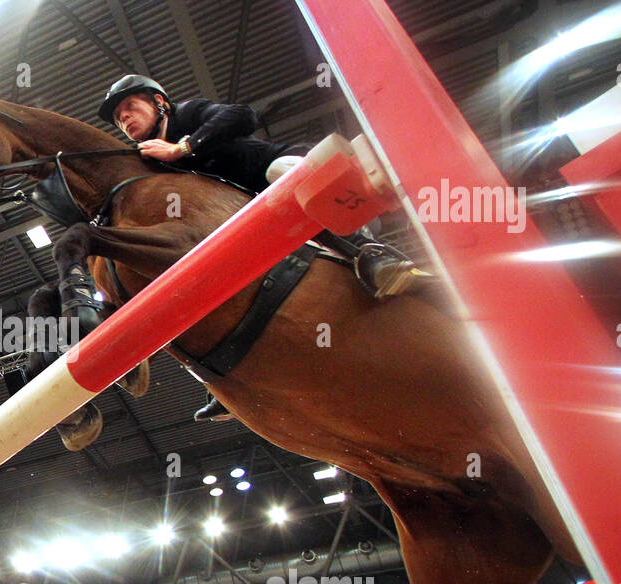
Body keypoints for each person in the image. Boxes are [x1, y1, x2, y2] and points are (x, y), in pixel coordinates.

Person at [97, 74, 428, 421]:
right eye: (119, 118)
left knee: (284, 173)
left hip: (269, 174)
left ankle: (372, 253)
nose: (125, 119)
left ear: (159, 102)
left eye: (130, 107)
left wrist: (183, 148)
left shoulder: (188, 115)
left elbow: (242, 115)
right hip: (241, 218)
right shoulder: (147, 161)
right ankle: (223, 378)